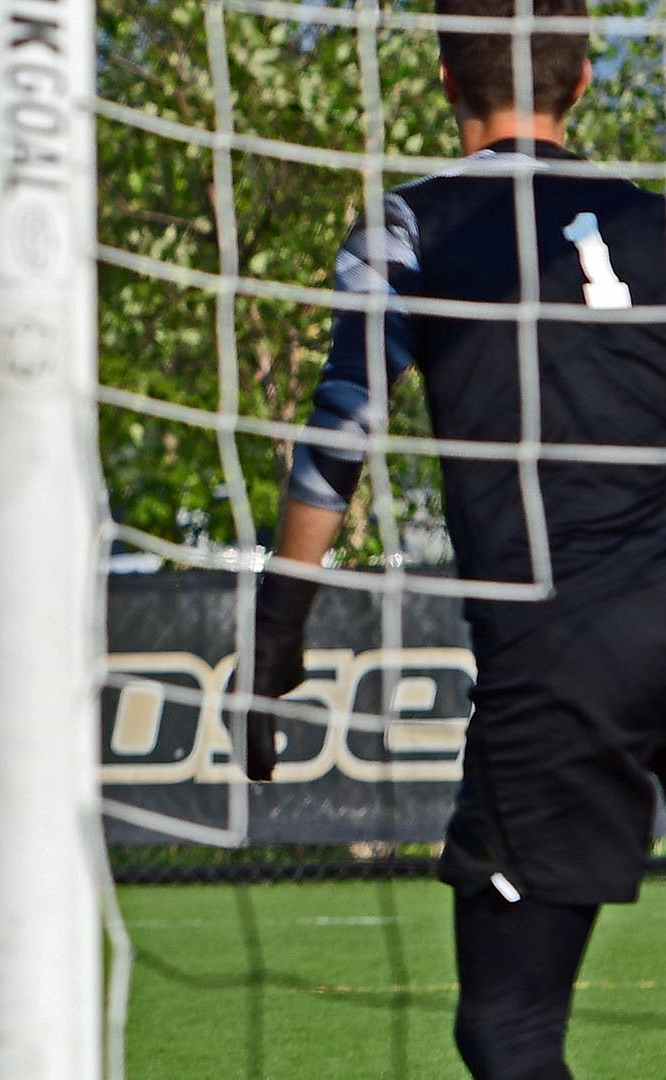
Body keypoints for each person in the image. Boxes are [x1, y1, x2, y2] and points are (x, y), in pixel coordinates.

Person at [246, 2, 665, 1075]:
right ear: (581, 85)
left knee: (509, 1031)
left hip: (562, 654)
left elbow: (337, 435)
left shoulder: (411, 227)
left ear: (441, 80)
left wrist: (277, 631)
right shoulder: (657, 229)